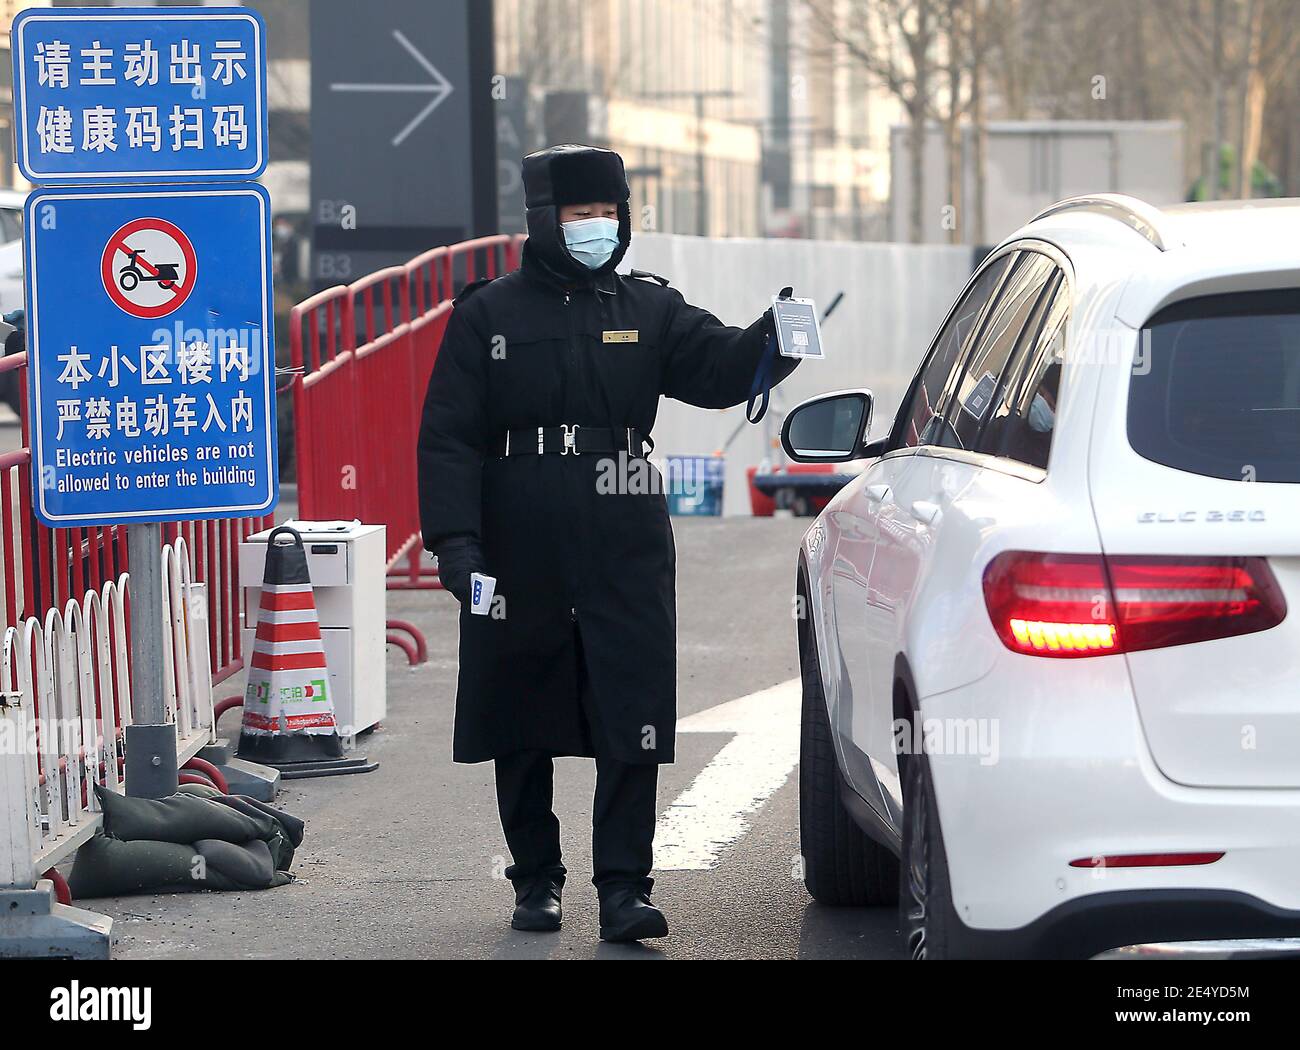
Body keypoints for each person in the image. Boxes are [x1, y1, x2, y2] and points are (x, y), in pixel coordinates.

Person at [417, 144, 798, 942]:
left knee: (632, 709)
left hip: (623, 532)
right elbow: (448, 436)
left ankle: (624, 890)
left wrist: (780, 335)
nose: (595, 227)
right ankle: (536, 882)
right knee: (518, 707)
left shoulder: (649, 309)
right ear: (542, 220)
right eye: (579, 213)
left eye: (608, 213)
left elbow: (723, 366)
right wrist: (457, 544)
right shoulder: (488, 314)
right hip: (517, 532)